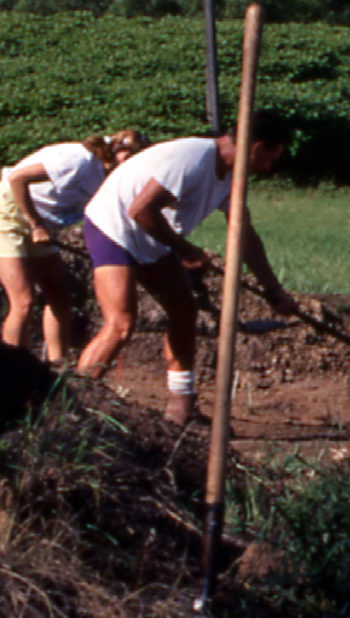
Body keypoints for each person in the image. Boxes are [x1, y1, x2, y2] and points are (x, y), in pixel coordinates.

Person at [76, 113, 300, 424]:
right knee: (122, 323)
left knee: (184, 310)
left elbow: (244, 235)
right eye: (270, 158)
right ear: (257, 147)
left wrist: (273, 289)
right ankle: (71, 402)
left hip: (153, 236)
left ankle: (181, 404)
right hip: (113, 228)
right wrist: (185, 249)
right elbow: (140, 210)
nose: (267, 168)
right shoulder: (192, 159)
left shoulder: (230, 176)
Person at [0, 129, 148, 363]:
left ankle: (57, 365)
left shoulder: (110, 176)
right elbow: (17, 178)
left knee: (59, 295)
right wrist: (35, 224)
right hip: (7, 214)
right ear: (117, 149)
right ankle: (12, 367)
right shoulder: (79, 159)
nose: (129, 165)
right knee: (24, 300)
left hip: (42, 223)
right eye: (128, 157)